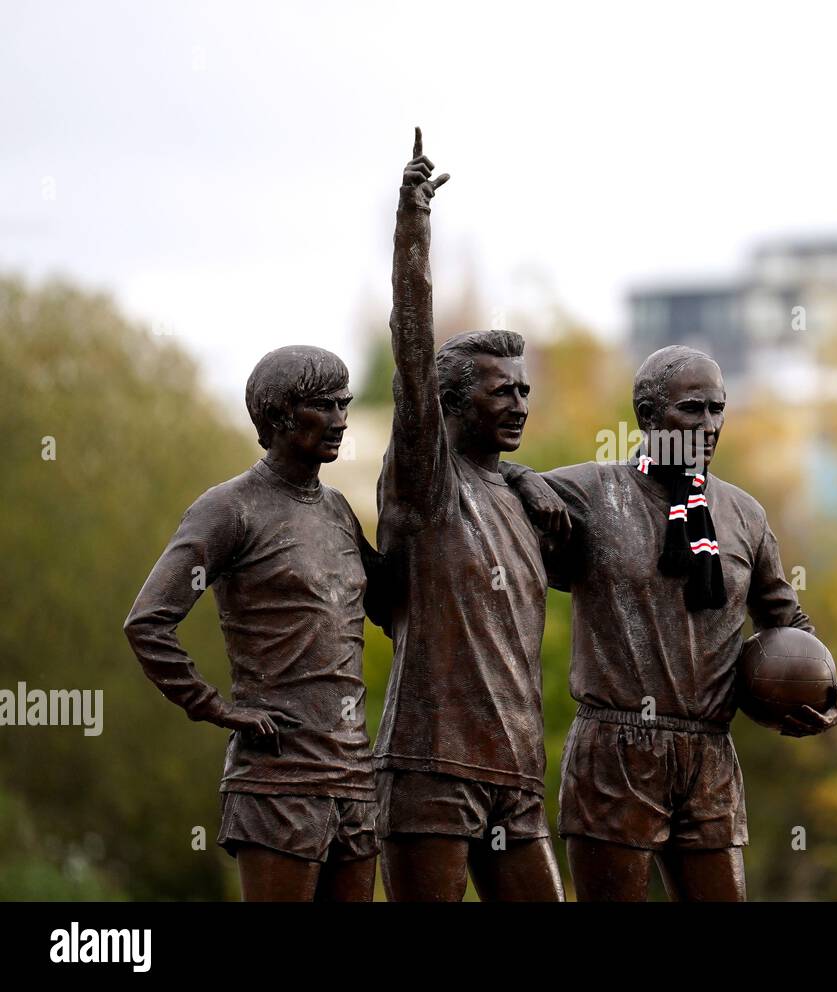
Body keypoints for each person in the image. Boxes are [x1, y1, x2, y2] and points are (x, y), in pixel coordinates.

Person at [502, 345, 837, 901]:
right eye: (692, 408)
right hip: (615, 750)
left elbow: (788, 621)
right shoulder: (591, 491)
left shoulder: (744, 515)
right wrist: (522, 476)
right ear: (647, 415)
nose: (709, 424)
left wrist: (828, 694)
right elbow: (484, 483)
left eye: (718, 408)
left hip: (709, 757)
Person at [373, 128, 567, 901]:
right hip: (431, 767)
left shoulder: (520, 495)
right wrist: (413, 229)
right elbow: (412, 345)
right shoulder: (425, 479)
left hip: (515, 773)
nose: (520, 402)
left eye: (524, 389)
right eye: (502, 391)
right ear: (452, 402)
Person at [124, 345, 386, 901]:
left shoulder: (338, 509)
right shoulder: (229, 509)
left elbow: (392, 603)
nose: (340, 419)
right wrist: (214, 706)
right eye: (324, 406)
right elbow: (148, 622)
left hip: (355, 780)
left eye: (345, 403)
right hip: (277, 785)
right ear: (277, 417)